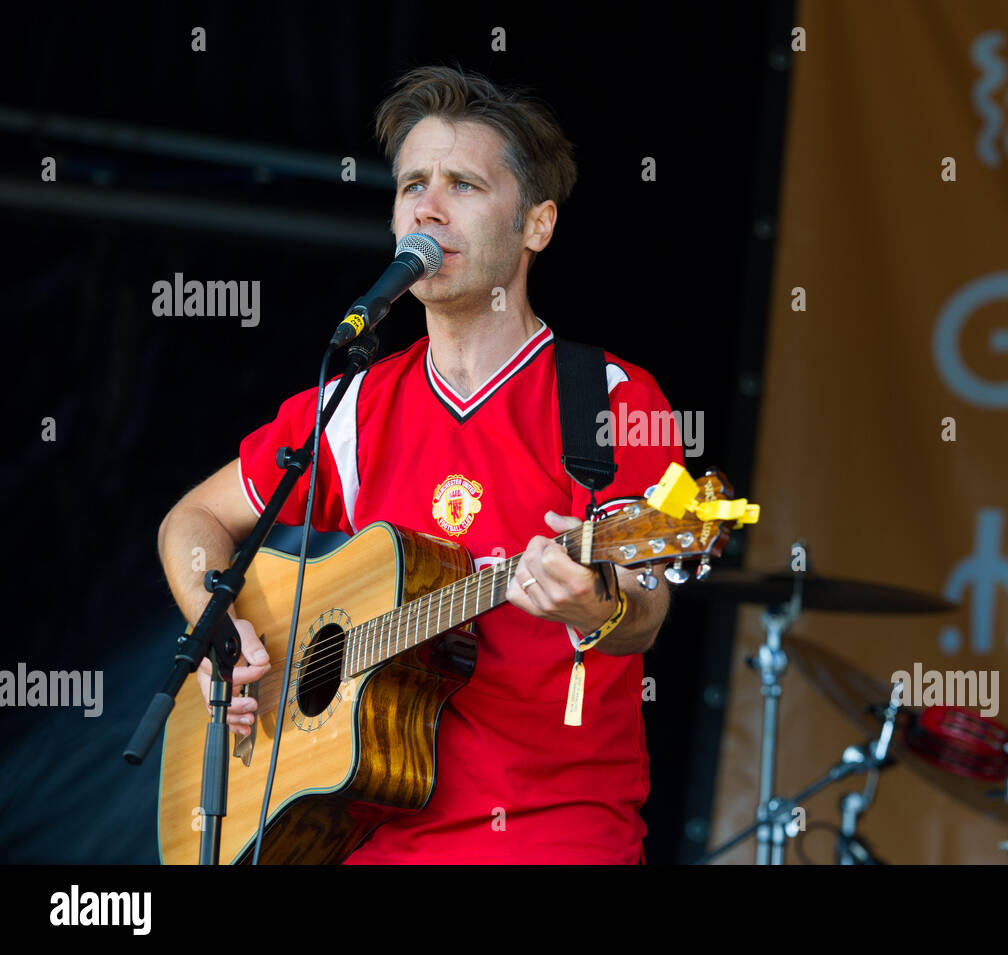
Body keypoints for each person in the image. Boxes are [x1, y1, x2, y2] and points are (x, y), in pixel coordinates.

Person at [156, 65, 684, 864]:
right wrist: (216, 622)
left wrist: (595, 609)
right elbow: (191, 521)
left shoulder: (610, 399)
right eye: (412, 186)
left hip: (553, 837)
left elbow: (646, 605)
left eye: (464, 184)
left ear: (536, 225)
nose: (428, 208)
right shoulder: (354, 405)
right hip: (359, 834)